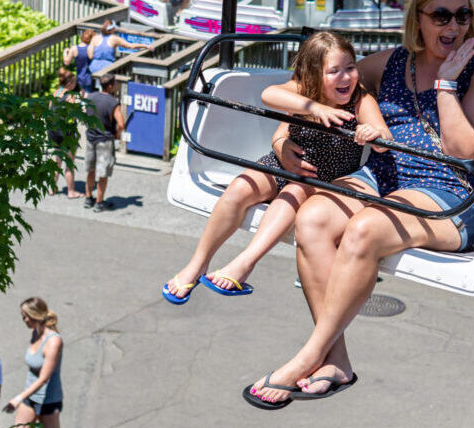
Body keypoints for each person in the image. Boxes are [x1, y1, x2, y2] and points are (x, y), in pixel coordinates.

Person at [243, 0, 474, 409]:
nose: (454, 26)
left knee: (363, 230)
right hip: (383, 175)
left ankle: (309, 354)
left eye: (463, 15)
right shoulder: (393, 62)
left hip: (446, 190)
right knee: (311, 219)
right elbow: (311, 89)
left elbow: (466, 151)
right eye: (441, 15)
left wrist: (445, 83)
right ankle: (337, 360)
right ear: (418, 19)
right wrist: (281, 139)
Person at [163, 31, 389, 303]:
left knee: (291, 195)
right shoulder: (306, 90)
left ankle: (245, 262)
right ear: (314, 75)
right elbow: (269, 94)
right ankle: (197, 263)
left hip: (321, 177)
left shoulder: (361, 100)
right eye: (334, 71)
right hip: (282, 161)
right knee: (238, 189)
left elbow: (383, 137)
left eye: (350, 68)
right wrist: (314, 108)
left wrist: (371, 134)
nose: (345, 77)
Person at [4, 297, 63, 428]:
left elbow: (44, 379)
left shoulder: (53, 341)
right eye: (23, 317)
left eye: (27, 317)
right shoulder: (35, 333)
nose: (24, 320)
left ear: (36, 315)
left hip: (48, 400)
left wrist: (18, 399)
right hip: (30, 397)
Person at [83, 73, 125, 212]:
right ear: (110, 86)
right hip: (105, 140)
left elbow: (85, 113)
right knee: (103, 173)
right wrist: (117, 134)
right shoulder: (113, 103)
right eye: (116, 83)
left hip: (90, 138)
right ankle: (99, 202)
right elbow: (121, 124)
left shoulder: (91, 97)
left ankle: (88, 198)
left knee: (90, 170)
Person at [50, 68, 82, 198]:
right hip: (67, 134)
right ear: (69, 83)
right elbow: (74, 117)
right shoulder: (71, 97)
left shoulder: (55, 92)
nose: (75, 84)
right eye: (73, 81)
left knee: (57, 162)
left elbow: (50, 110)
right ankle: (71, 191)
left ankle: (52, 189)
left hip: (54, 132)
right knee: (69, 163)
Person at [86, 21, 152, 80]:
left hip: (93, 68)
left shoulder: (95, 38)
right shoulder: (114, 39)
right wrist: (145, 45)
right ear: (111, 30)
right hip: (107, 68)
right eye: (114, 28)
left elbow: (90, 56)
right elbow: (131, 46)